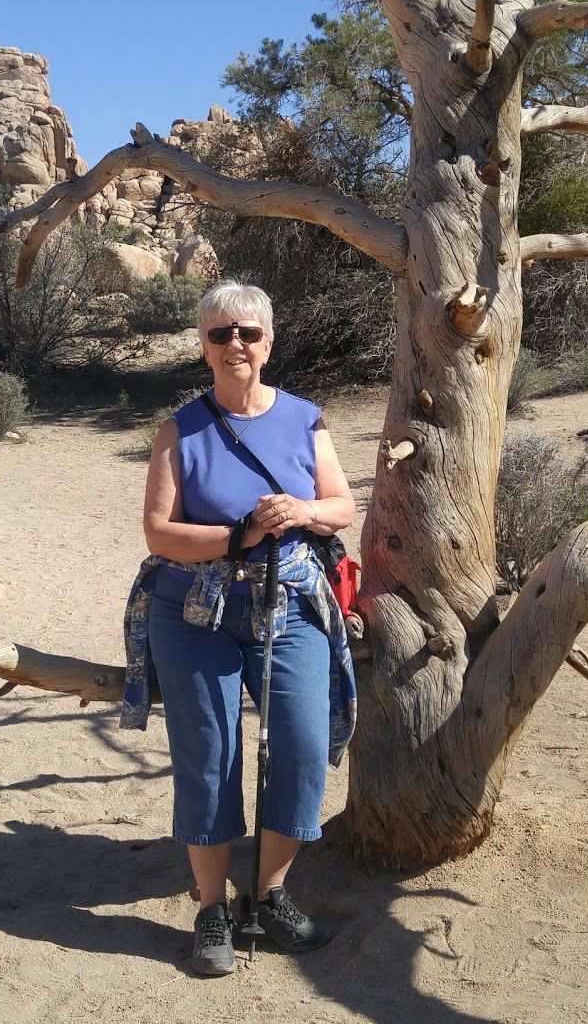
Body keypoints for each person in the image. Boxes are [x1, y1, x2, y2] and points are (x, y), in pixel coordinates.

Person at [120, 280, 357, 977]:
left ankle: (272, 892)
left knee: (301, 742)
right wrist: (238, 533)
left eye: (248, 333)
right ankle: (211, 907)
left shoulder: (306, 419)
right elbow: (159, 531)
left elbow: (342, 504)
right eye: (220, 334)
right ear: (203, 346)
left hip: (287, 602)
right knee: (210, 752)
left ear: (269, 342)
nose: (235, 346)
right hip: (194, 608)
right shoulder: (179, 429)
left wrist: (302, 511)